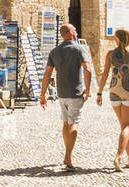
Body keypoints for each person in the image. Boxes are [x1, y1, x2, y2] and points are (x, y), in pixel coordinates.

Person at [40, 23, 94, 171]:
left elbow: (47, 74)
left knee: (65, 123)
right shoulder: (79, 49)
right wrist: (88, 89)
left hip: (61, 94)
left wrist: (43, 94)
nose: (76, 32)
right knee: (74, 124)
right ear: (70, 33)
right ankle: (68, 156)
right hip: (75, 93)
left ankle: (67, 152)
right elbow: (87, 69)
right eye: (75, 30)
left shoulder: (55, 51)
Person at [97, 27, 129, 171]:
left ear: (117, 39)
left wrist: (99, 93)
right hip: (128, 93)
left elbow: (104, 74)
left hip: (114, 92)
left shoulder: (110, 54)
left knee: (124, 127)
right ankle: (119, 157)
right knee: (126, 127)